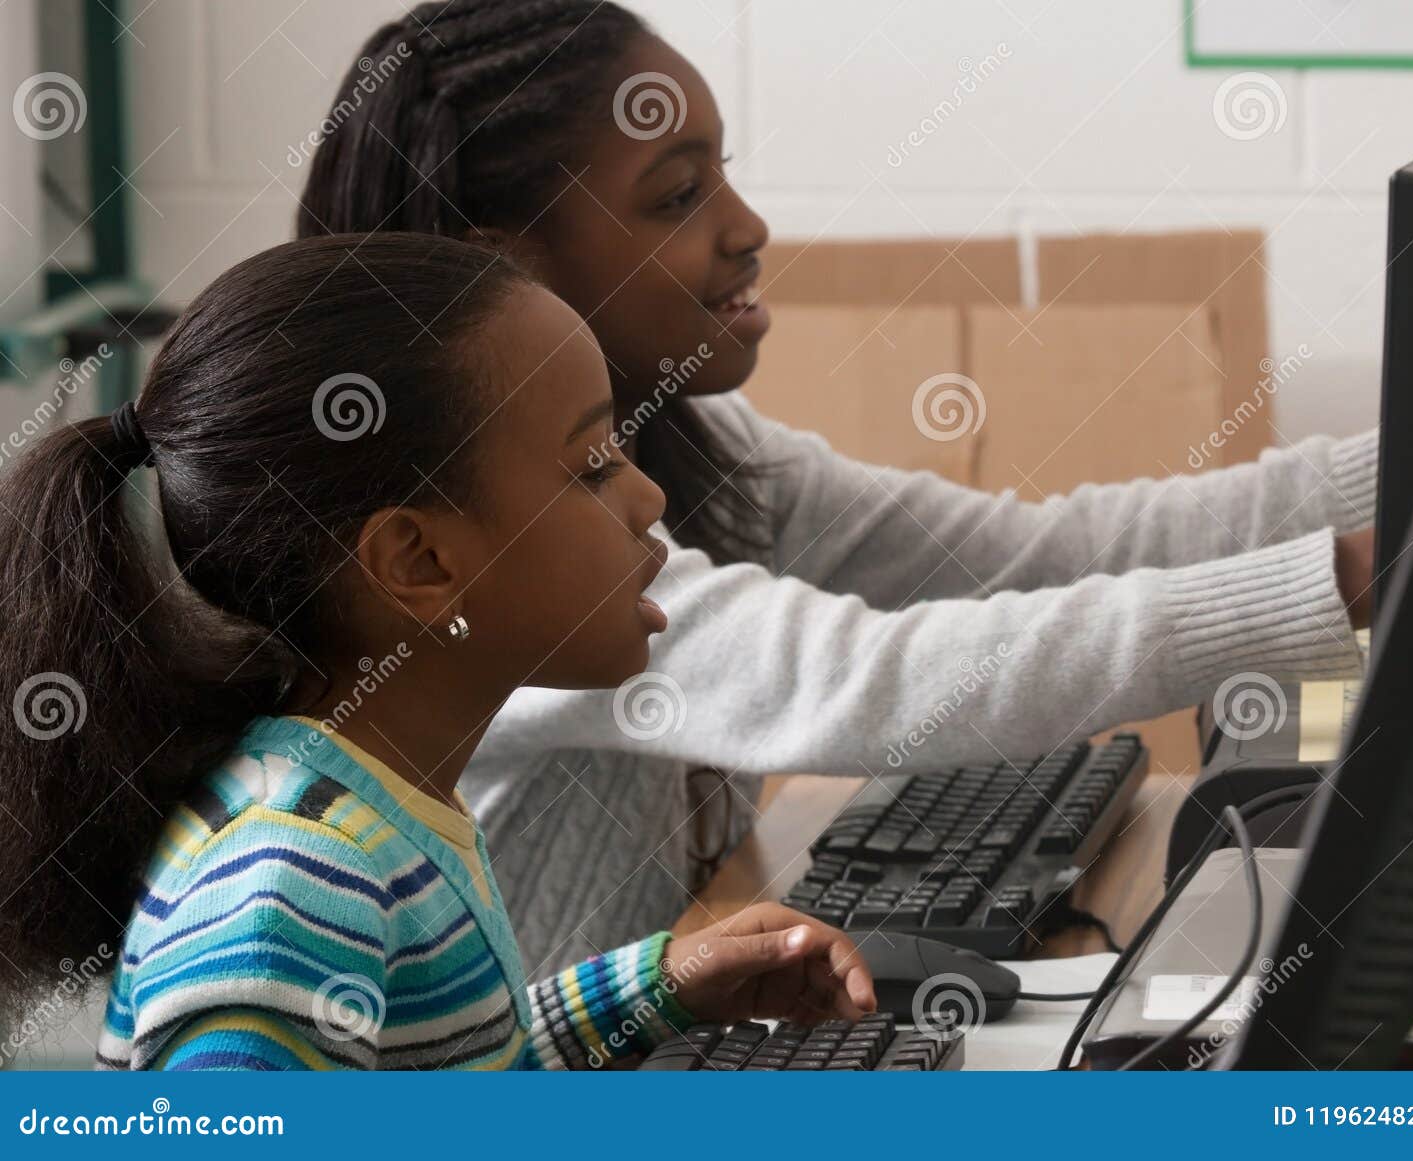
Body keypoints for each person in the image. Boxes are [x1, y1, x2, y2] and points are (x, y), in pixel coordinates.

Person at [297, 0, 1378, 972]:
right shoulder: (485, 558)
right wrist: (1335, 584)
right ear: (508, 275)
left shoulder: (682, 447)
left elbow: (1039, 551)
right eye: (678, 194)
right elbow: (879, 682)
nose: (747, 227)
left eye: (722, 172)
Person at [0, 232, 873, 1071]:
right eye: (594, 464)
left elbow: (453, 1072)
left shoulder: (378, 804)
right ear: (418, 562)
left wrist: (657, 988)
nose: (647, 497)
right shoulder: (295, 884)